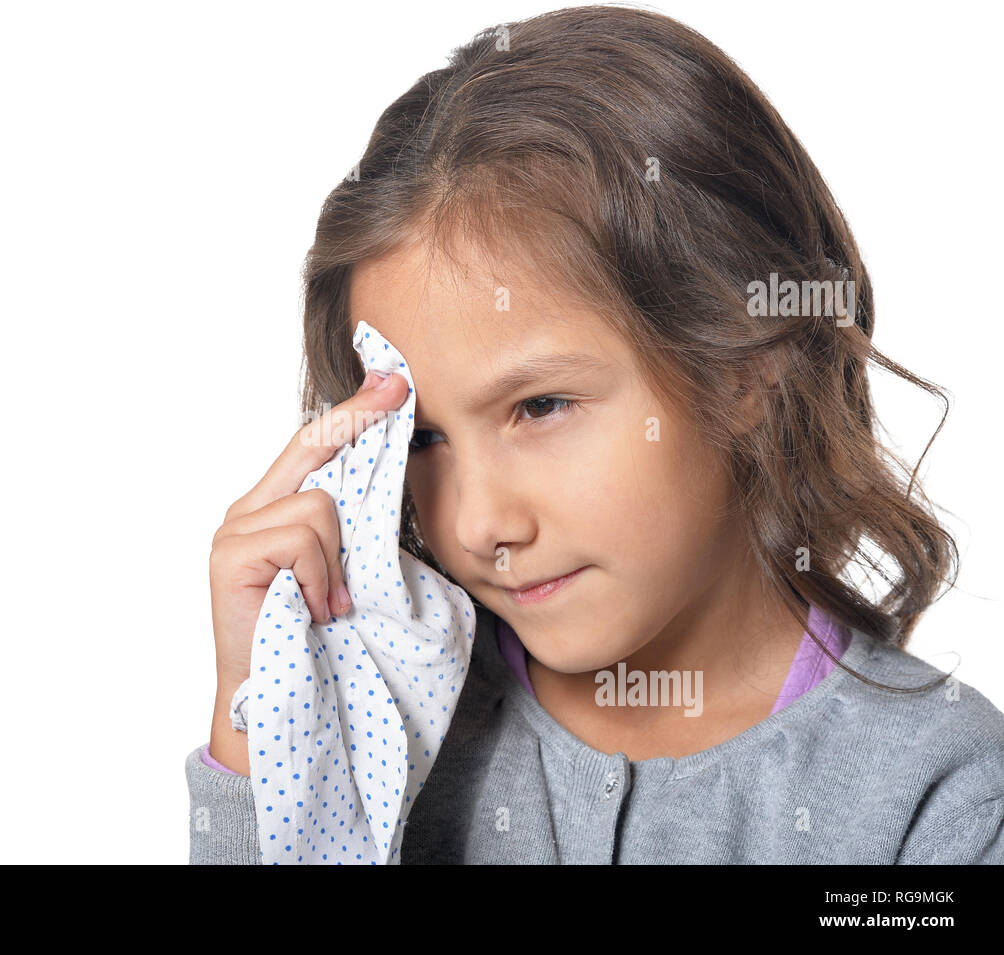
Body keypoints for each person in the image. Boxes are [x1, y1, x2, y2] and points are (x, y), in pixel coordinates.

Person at [188, 4, 1004, 864]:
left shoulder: (937, 793)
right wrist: (264, 727)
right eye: (422, 440)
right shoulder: (375, 728)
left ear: (744, 370)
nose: (476, 524)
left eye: (540, 407)